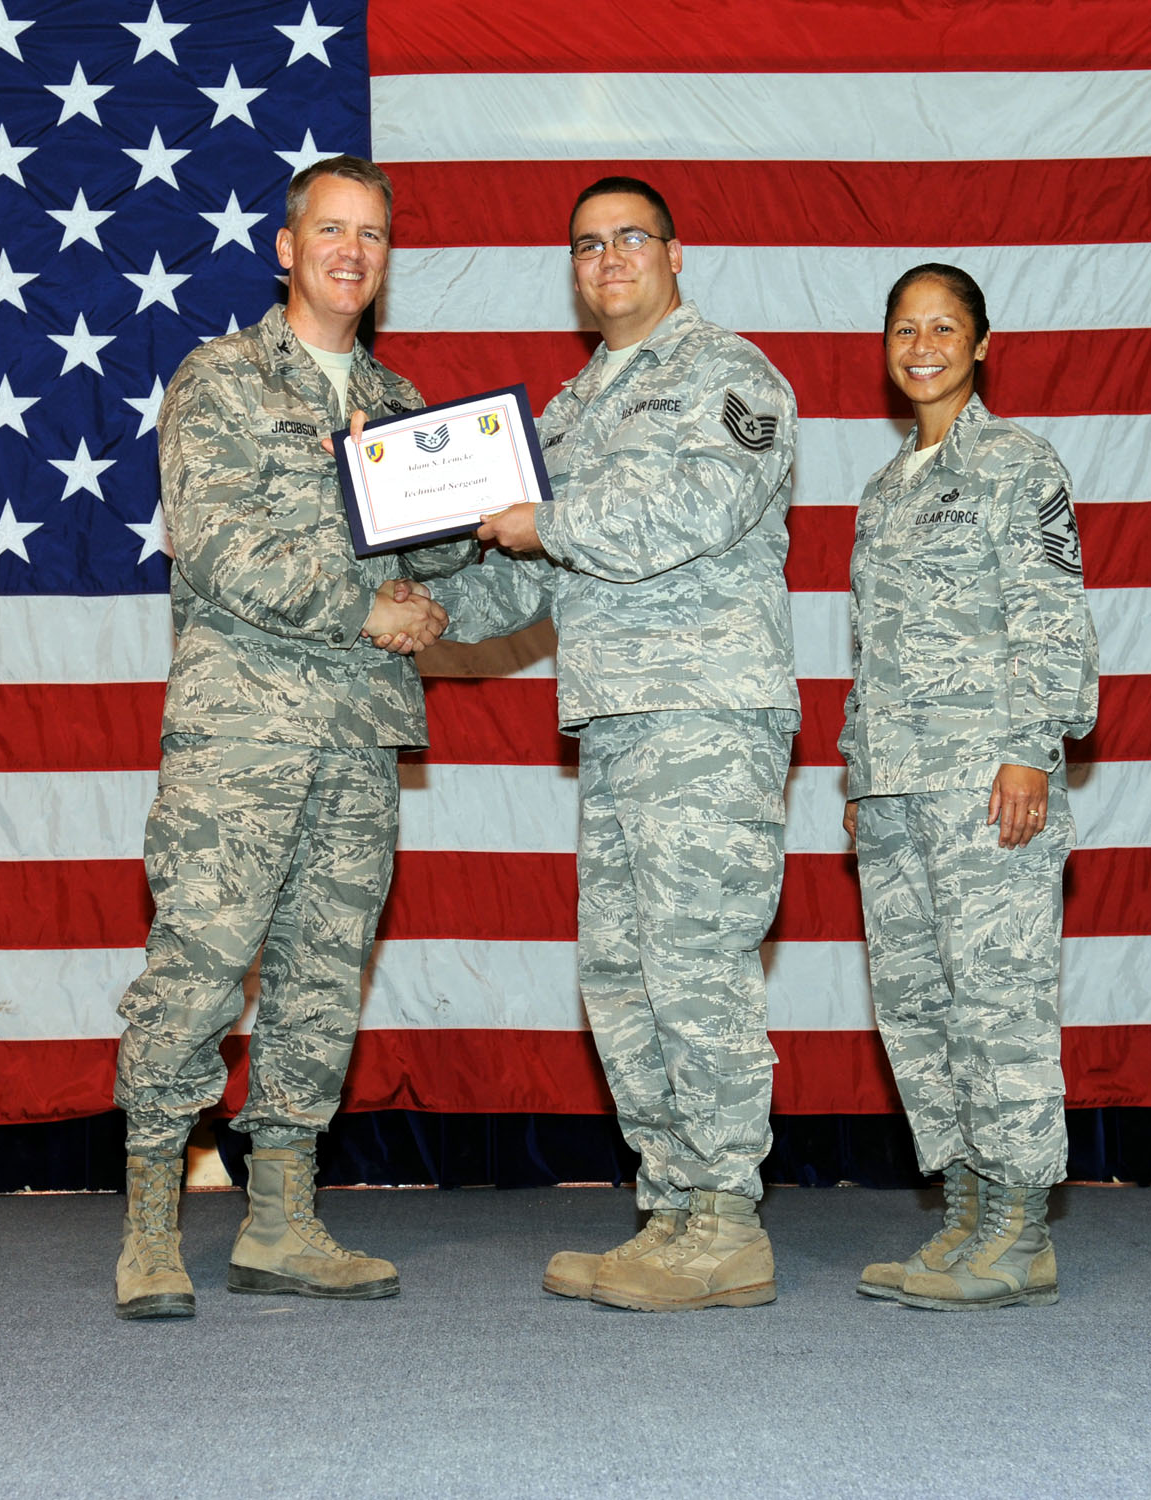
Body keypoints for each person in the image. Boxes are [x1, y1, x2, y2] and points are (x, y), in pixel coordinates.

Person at [389, 177, 799, 1312]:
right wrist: (418, 610)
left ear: (675, 254)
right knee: (624, 977)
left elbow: (695, 511)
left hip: (707, 714)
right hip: (618, 724)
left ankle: (725, 1223)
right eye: (586, 245)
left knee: (696, 968)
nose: (607, 258)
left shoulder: (731, 374)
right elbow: (516, 571)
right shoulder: (569, 411)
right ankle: (671, 1210)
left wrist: (545, 523)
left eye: (629, 239)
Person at [110, 155, 470, 1320]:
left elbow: (440, 561)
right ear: (287, 246)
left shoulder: (408, 412)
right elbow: (216, 546)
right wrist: (370, 608)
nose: (352, 251)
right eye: (332, 229)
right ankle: (153, 1227)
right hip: (241, 739)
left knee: (320, 983)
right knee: (200, 966)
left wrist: (473, 548)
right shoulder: (218, 379)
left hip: (358, 738)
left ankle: (281, 1220)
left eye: (373, 233)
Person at [841, 263, 1098, 1310]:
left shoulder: (1016, 463)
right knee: (920, 1006)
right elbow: (870, 650)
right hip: (899, 790)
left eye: (943, 326)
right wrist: (859, 775)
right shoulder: (886, 487)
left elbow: (1051, 615)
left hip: (987, 782)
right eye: (905, 327)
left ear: (981, 343)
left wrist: (1033, 746)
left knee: (997, 1004)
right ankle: (961, 1217)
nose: (922, 343)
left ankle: (1020, 1227)